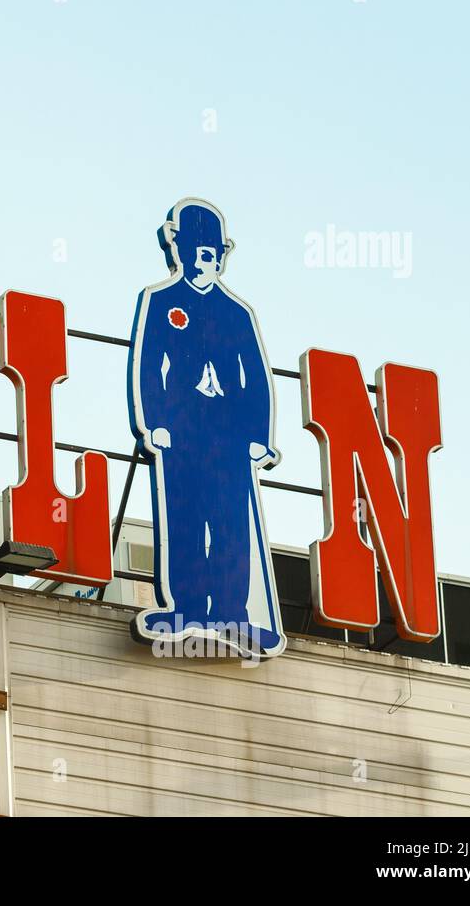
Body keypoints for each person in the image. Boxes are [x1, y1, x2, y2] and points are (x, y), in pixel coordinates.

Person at [128, 198, 285, 658]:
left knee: (232, 523)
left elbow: (254, 376)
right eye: (200, 250)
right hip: (180, 430)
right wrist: (153, 422)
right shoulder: (161, 302)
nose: (208, 260)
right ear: (181, 249)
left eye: (215, 252)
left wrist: (261, 437)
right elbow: (148, 365)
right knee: (185, 519)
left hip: (230, 435)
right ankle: (188, 609)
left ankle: (234, 614)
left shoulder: (237, 313)